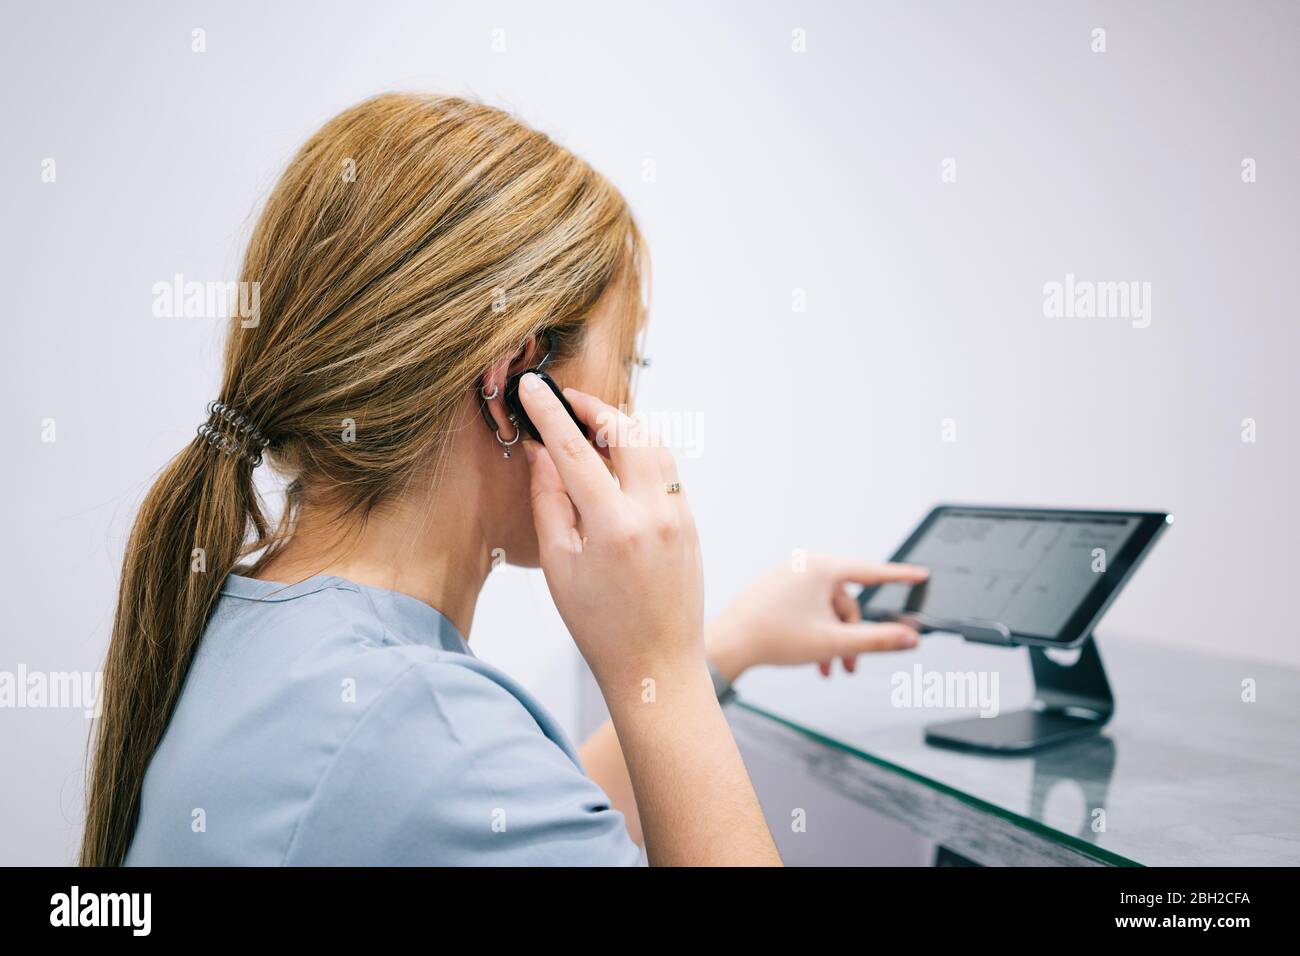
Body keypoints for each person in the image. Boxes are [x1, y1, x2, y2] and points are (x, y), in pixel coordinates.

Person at [82, 93, 926, 867]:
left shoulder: (266, 623)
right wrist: (661, 666)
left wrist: (723, 646)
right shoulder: (417, 726)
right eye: (626, 361)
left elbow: (515, 814)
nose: (634, 402)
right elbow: (463, 783)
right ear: (515, 387)